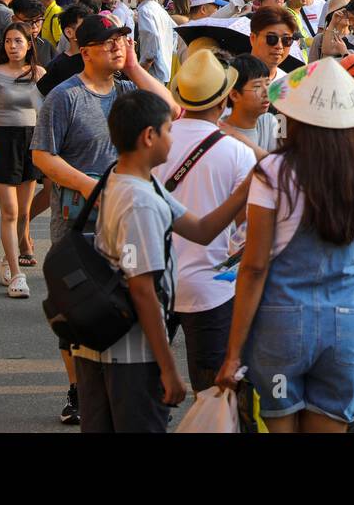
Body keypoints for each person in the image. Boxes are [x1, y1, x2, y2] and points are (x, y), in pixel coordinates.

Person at [214, 59, 354, 432]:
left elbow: (255, 266)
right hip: (346, 320)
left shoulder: (274, 171)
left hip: (281, 322)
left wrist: (232, 353)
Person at [30, 12, 179, 426]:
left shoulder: (129, 90)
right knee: (79, 308)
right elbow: (42, 154)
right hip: (78, 222)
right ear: (85, 50)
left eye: (123, 39)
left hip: (125, 217)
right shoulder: (65, 96)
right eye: (109, 41)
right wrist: (86, 186)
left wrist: (133, 66)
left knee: (124, 302)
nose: (118, 46)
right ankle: (80, 388)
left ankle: (111, 387)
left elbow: (172, 110)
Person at [73, 90, 244, 432]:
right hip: (131, 355)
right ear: (148, 136)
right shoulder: (141, 202)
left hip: (96, 343)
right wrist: (168, 368)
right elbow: (142, 290)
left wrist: (246, 187)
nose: (173, 137)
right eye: (168, 130)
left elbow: (201, 229)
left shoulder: (124, 177)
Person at [160, 51, 257, 395]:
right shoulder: (237, 152)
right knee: (213, 395)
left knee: (147, 391)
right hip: (213, 287)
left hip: (154, 281)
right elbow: (246, 227)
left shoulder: (155, 141)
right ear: (223, 101)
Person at [0, 22, 45, 296]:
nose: (13, 46)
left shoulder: (40, 73)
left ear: (29, 44)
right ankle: (17, 274)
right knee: (9, 211)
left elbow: (45, 112)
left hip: (32, 141)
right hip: (4, 141)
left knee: (24, 212)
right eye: (8, 41)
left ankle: (7, 259)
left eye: (18, 41)